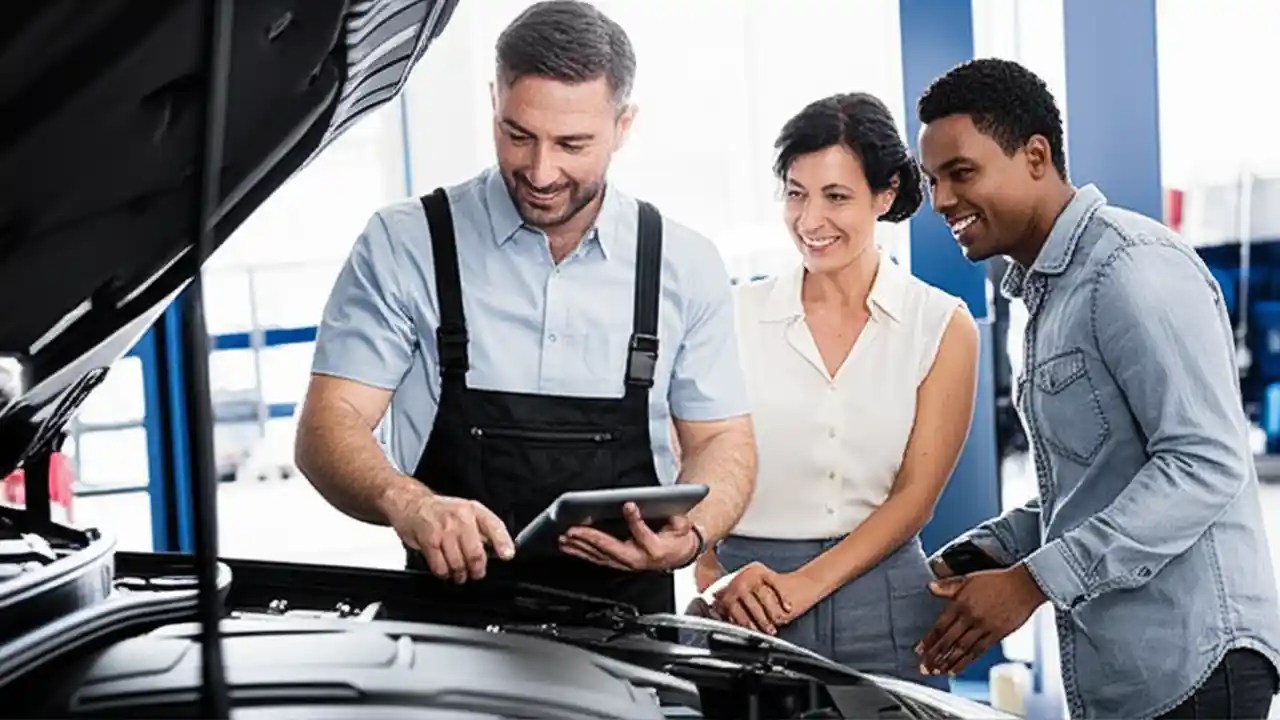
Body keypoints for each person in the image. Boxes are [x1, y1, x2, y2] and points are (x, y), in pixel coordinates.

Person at [293, 0, 756, 616]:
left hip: (626, 634)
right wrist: (409, 503)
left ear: (623, 126)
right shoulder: (405, 244)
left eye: (572, 144)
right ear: (494, 101)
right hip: (444, 631)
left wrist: (692, 532)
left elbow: (722, 439)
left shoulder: (684, 263)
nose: (541, 171)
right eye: (518, 135)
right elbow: (328, 423)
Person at [913, 57, 1280, 719]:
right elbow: (1092, 485)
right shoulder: (1047, 297)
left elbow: (1205, 463)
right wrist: (974, 557)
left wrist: (1032, 582)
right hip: (1133, 675)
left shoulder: (1131, 269)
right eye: (932, 179)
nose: (940, 201)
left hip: (1196, 668)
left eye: (960, 173)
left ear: (1035, 156)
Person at [691, 92, 980, 689]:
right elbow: (694, 466)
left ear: (885, 194)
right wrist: (711, 577)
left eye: (836, 197)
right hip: (749, 602)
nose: (810, 220)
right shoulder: (731, 316)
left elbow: (916, 497)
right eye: (796, 194)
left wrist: (802, 587)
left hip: (888, 605)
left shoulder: (940, 325)